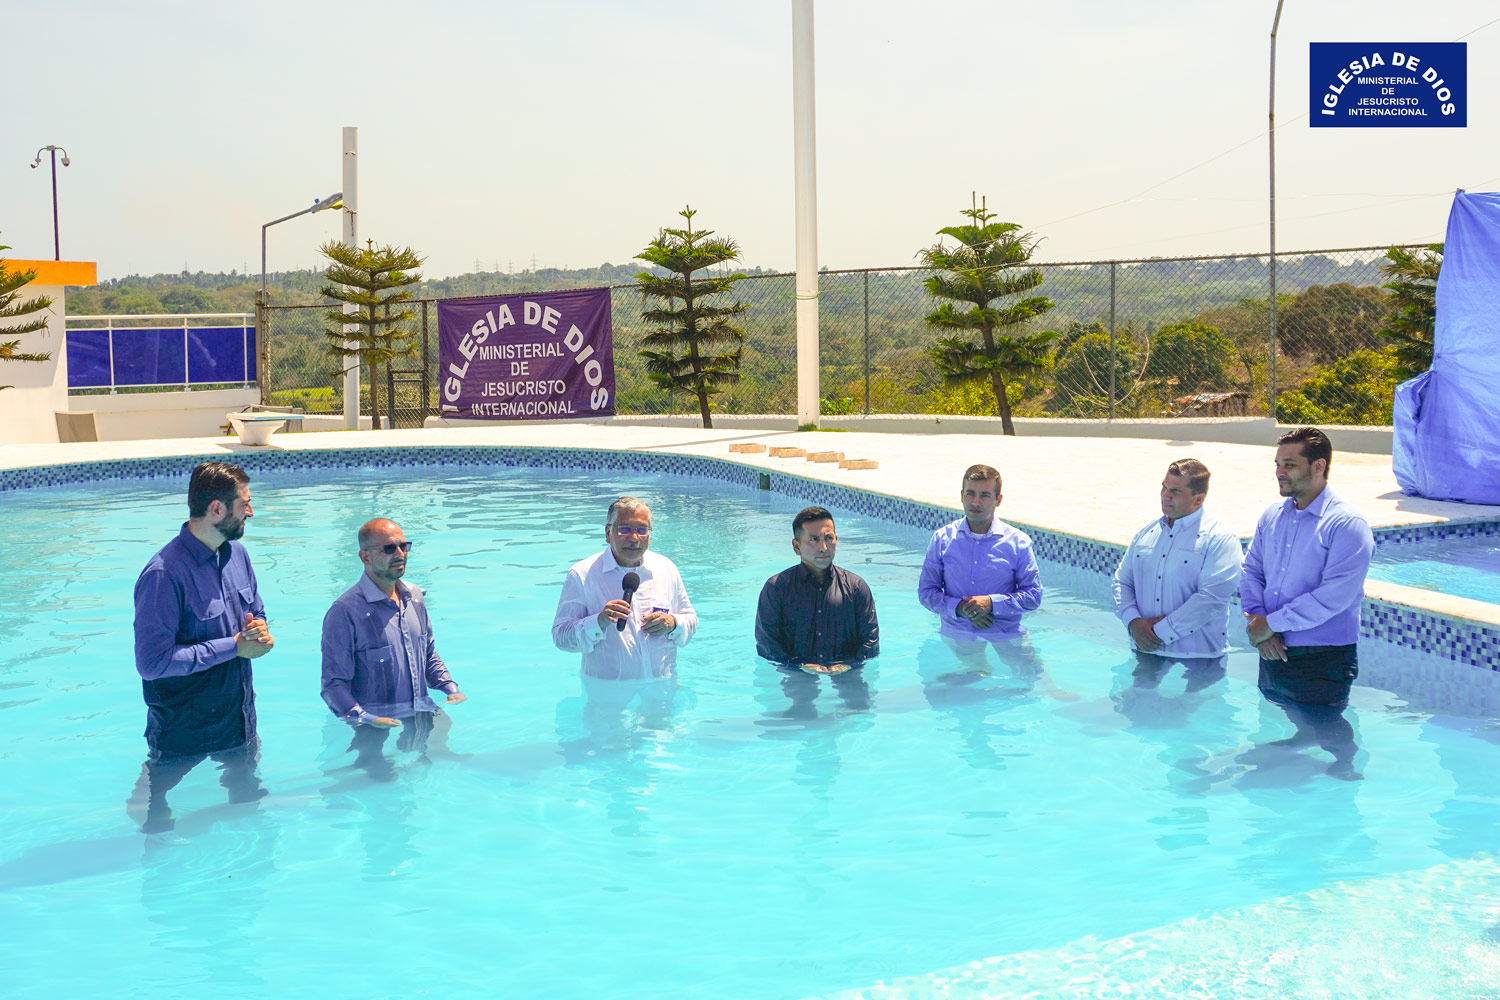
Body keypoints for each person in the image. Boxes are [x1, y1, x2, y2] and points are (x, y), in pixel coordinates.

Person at [130, 462, 274, 833]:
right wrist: (234, 647)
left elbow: (254, 611)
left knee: (249, 813)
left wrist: (259, 631)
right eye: (245, 504)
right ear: (216, 509)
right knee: (157, 824)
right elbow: (152, 664)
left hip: (238, 720)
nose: (251, 512)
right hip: (182, 730)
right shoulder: (162, 575)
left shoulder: (237, 554)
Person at [1241, 427, 1374, 779]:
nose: (1279, 472)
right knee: (1290, 706)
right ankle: (1302, 739)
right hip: (1272, 644)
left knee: (1324, 716)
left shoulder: (1346, 524)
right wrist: (1259, 621)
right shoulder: (1272, 516)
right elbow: (1252, 569)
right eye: (1277, 464)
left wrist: (1271, 624)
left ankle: (1346, 767)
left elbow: (1335, 596)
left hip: (1322, 652)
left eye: (1289, 464)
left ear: (1319, 466)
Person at [321, 518, 467, 775]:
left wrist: (449, 687)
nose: (400, 554)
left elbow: (428, 652)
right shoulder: (344, 612)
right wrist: (365, 719)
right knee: (376, 785)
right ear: (365, 557)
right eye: (389, 549)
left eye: (403, 546)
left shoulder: (414, 596)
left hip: (422, 712)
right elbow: (333, 685)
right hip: (374, 725)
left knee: (443, 765)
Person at [1112, 458, 1242, 690]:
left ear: (1198, 499)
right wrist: (1133, 622)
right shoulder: (1146, 533)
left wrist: (1156, 633)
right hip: (1147, 651)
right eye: (1164, 487)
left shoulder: (1220, 538)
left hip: (1200, 657)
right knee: (1137, 712)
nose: (1165, 496)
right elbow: (1122, 580)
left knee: (1198, 720)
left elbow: (1211, 599)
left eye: (1176, 491)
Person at [552, 496, 697, 681]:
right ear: (607, 533)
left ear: (650, 536)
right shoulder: (582, 574)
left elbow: (691, 620)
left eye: (642, 530)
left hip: (662, 688)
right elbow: (560, 637)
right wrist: (598, 622)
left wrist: (673, 623)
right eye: (624, 529)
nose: (634, 538)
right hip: (607, 692)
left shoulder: (666, 568)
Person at [918, 464, 1043, 673]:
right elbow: (926, 592)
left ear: (998, 500)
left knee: (1036, 682)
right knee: (968, 683)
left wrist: (992, 603)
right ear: (961, 495)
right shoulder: (942, 539)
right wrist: (960, 608)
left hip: (1006, 631)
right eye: (970, 493)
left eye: (984, 495)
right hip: (958, 632)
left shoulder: (1018, 543)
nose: (975, 502)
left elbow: (1034, 595)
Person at [756, 506, 878, 716]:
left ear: (836, 539)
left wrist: (848, 665)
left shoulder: (856, 587)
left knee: (861, 712)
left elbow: (871, 640)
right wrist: (799, 666)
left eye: (828, 538)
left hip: (847, 669)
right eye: (813, 539)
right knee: (801, 713)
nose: (823, 547)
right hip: (796, 671)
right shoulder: (777, 588)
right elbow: (767, 643)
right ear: (796, 546)